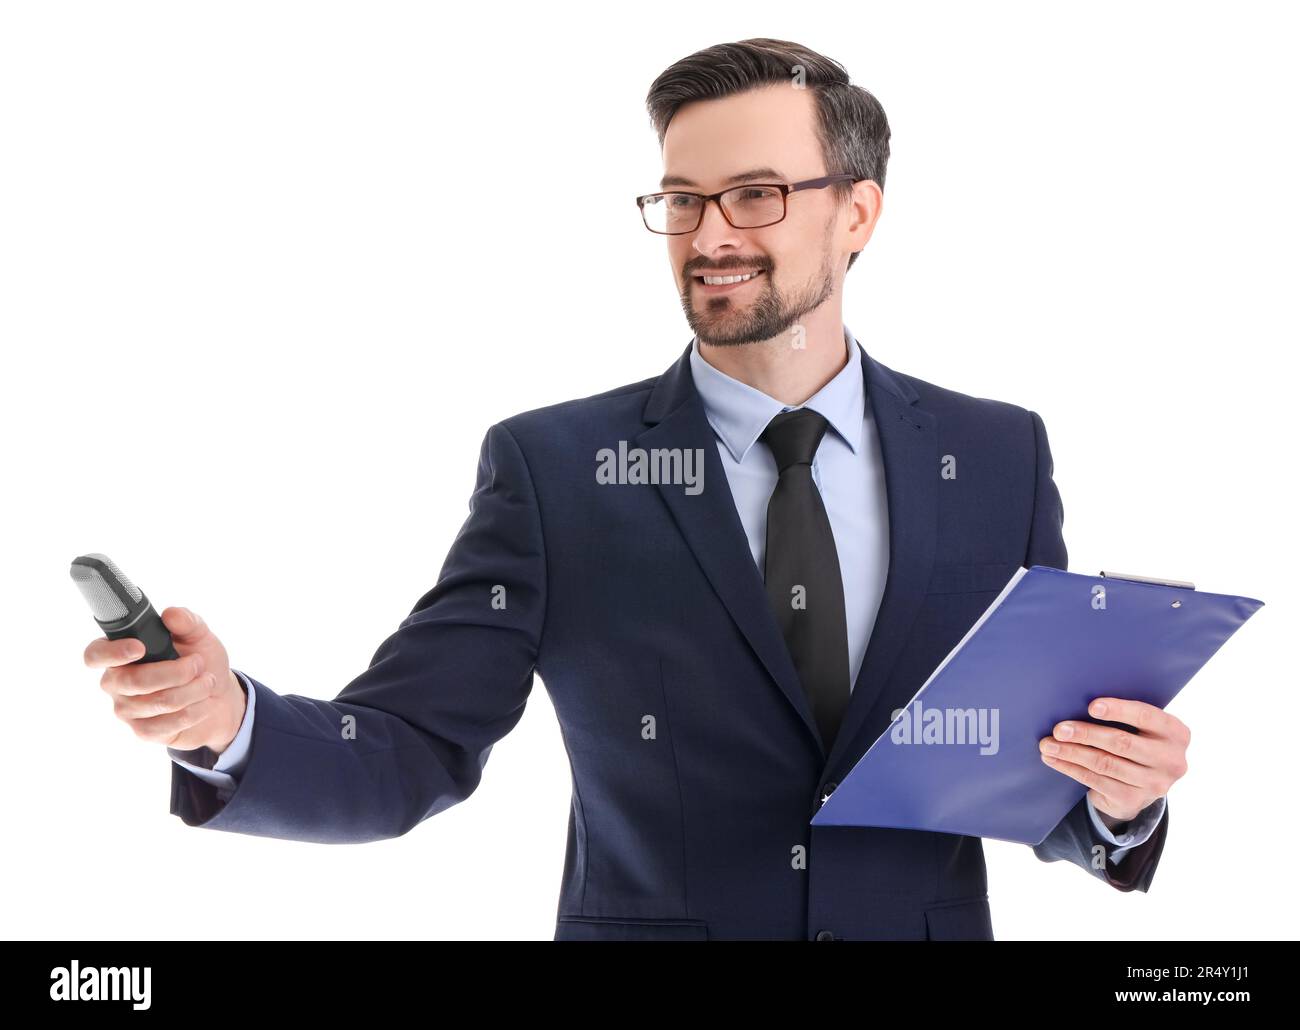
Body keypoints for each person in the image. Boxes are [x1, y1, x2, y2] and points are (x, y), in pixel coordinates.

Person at [85, 38, 1185, 941]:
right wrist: (227, 724)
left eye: (753, 195)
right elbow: (412, 747)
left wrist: (1118, 798)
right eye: (681, 200)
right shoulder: (556, 471)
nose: (708, 237)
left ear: (857, 212)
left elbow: (1027, 765)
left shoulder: (997, 454)